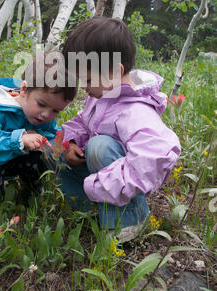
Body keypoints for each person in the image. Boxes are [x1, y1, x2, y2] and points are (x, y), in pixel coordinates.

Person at [55, 17, 181, 242]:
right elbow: (83, 122)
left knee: (99, 147)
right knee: (56, 151)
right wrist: (71, 141)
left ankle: (129, 220)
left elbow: (156, 155)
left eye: (87, 78)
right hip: (103, 183)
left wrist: (98, 186)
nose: (83, 86)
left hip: (114, 186)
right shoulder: (102, 95)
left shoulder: (135, 111)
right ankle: (89, 209)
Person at [0, 54, 77, 201]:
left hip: (21, 160)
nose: (46, 115)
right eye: (42, 104)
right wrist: (20, 139)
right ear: (24, 89)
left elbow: (55, 134)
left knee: (39, 153)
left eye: (55, 111)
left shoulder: (43, 117)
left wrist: (68, 145)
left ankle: (31, 193)